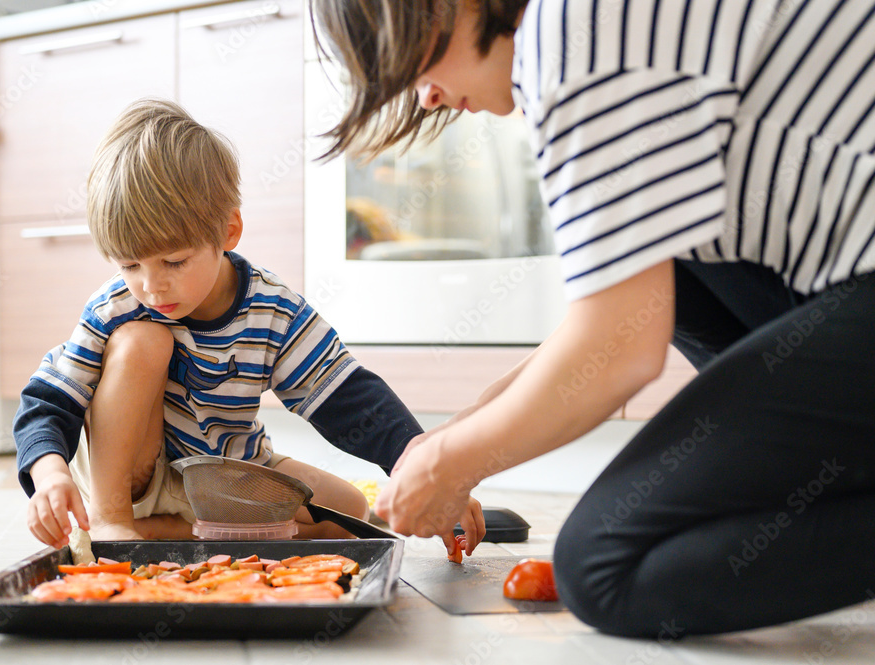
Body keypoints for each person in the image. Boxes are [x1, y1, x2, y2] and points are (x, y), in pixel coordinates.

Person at [310, 0, 875, 638]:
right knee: (668, 256)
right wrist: (454, 435)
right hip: (836, 283)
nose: (427, 97)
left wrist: (451, 465)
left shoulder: (570, 38)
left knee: (604, 567)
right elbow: (623, 307)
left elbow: (622, 345)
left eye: (407, 62)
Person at [13, 98, 485, 551]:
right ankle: (113, 521)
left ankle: (170, 531)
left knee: (350, 508)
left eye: (173, 261)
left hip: (225, 469)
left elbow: (349, 397)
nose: (151, 286)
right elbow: (49, 400)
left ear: (228, 233)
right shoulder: (117, 305)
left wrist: (429, 469)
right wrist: (50, 473)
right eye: (129, 265)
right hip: (138, 472)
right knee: (144, 340)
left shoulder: (273, 310)